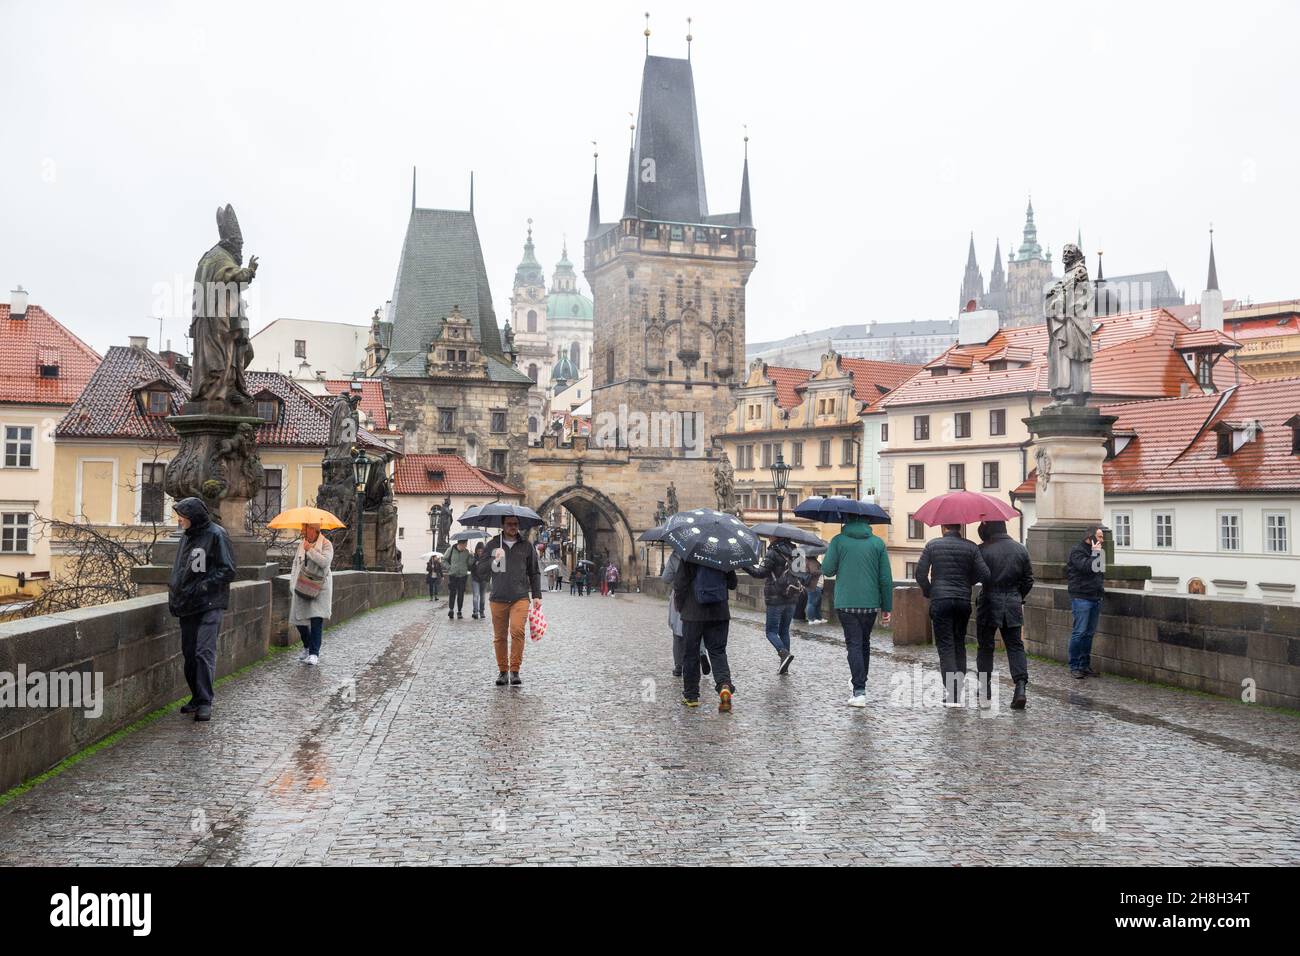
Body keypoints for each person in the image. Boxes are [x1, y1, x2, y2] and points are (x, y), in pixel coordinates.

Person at [167, 497, 236, 722]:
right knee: (189, 654)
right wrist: (176, 593)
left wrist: (203, 586)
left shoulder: (217, 535)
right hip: (188, 604)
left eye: (183, 515)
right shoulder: (186, 538)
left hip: (209, 603)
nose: (179, 519)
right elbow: (181, 570)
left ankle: (206, 700)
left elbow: (228, 570)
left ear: (193, 516)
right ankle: (196, 697)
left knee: (203, 652)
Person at [820, 517, 893, 707]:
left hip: (846, 603)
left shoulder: (838, 540)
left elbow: (827, 570)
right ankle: (860, 684)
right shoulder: (877, 543)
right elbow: (885, 578)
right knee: (864, 643)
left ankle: (859, 689)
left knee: (854, 644)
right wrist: (887, 607)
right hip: (870, 603)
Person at [915, 524, 990, 705]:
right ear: (960, 528)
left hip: (940, 600)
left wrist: (929, 591)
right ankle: (958, 688)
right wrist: (966, 581)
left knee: (946, 646)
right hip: (963, 601)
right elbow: (985, 575)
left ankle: (953, 693)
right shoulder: (971, 547)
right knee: (959, 644)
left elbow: (920, 573)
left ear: (943, 527)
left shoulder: (933, 545)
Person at [474, 515, 543, 686]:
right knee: (500, 636)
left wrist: (537, 595)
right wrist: (494, 559)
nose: (513, 527)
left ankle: (515, 670)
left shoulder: (526, 546)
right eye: (510, 524)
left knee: (517, 631)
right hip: (498, 597)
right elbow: (481, 572)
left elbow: (534, 572)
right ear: (503, 525)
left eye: (515, 524)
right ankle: (503, 672)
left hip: (520, 596)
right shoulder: (492, 545)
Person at [976, 520, 1033, 709]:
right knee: (1015, 646)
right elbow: (1028, 580)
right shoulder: (1021, 549)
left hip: (989, 602)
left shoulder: (982, 549)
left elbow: (976, 575)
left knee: (985, 647)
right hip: (1013, 602)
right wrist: (1018, 596)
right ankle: (1021, 687)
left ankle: (985, 688)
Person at [672, 557, 737, 711]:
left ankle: (691, 696)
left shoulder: (690, 556)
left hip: (693, 613)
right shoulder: (724, 555)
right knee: (718, 652)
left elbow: (680, 584)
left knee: (691, 653)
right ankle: (724, 686)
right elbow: (733, 584)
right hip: (719, 612)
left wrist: (681, 607)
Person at [745, 537, 804, 674]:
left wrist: (744, 564)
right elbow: (801, 574)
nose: (769, 537)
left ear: (775, 537)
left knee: (771, 632)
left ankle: (783, 654)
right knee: (784, 631)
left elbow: (759, 573)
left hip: (775, 598)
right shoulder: (798, 551)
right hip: (792, 596)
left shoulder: (773, 552)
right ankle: (785, 667)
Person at [289, 523, 334, 666]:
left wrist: (310, 550)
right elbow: (296, 563)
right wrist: (292, 582)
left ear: (314, 530)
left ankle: (314, 653)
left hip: (320, 587)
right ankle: (307, 646)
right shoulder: (302, 544)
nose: (303, 531)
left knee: (316, 619)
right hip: (302, 584)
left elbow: (325, 562)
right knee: (297, 619)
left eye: (305, 528)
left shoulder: (327, 544)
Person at [1066, 526, 1106, 680]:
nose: (1102, 540)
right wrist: (1095, 553)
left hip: (1095, 597)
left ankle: (1084, 665)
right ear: (1090, 537)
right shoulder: (1077, 551)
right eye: (1100, 537)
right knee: (1079, 632)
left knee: (1089, 634)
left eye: (1102, 537)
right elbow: (1086, 567)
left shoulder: (1099, 552)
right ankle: (1075, 666)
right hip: (1081, 597)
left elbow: (1100, 571)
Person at [664, 551, 711, 679]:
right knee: (697, 629)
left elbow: (666, 578)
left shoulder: (675, 556)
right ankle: (701, 652)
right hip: (699, 595)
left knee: (677, 632)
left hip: (680, 596)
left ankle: (679, 665)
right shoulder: (703, 553)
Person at [443, 539, 472, 620]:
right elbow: (444, 560)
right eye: (465, 544)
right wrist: (449, 568)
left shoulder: (466, 552)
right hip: (453, 575)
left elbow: (469, 564)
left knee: (461, 595)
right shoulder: (451, 549)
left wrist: (471, 556)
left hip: (463, 576)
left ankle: (459, 611)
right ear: (460, 544)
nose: (466, 546)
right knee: (452, 593)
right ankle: (451, 610)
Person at [803, 555, 825, 625]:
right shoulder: (811, 561)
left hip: (817, 585)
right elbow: (813, 571)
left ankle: (818, 618)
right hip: (814, 585)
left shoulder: (812, 561)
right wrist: (822, 571)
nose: (818, 555)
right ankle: (811, 619)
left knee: (817, 603)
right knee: (812, 603)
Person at [470, 542, 489, 620]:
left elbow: (488, 569)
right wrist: (474, 564)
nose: (480, 552)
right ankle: (475, 612)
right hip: (475, 579)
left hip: (483, 580)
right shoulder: (473, 558)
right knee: (476, 596)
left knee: (483, 597)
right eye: (478, 551)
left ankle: (482, 611)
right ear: (476, 551)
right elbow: (470, 568)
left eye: (481, 551)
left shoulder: (486, 558)